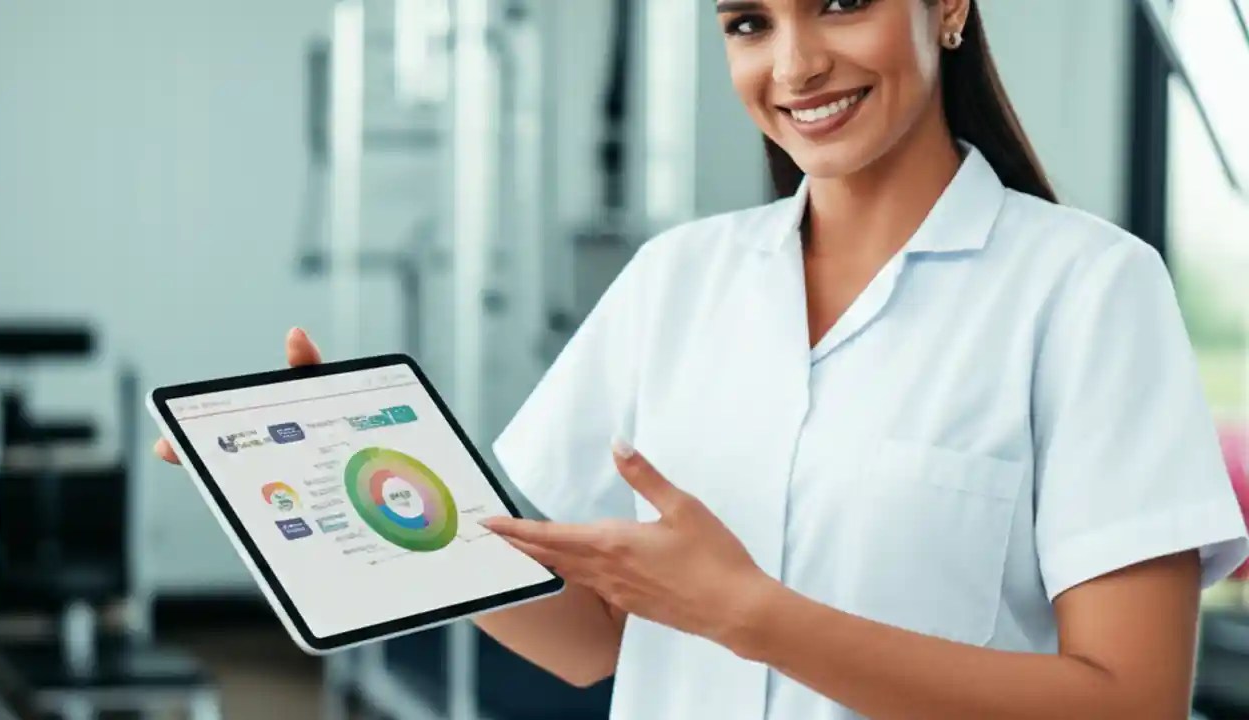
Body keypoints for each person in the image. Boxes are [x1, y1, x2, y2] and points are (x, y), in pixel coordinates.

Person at [157, 0, 1249, 717]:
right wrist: (325, 496)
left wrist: (749, 614)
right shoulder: (675, 279)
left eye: (837, 3)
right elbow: (585, 640)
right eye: (745, 23)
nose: (793, 62)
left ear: (948, 6)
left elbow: (1128, 700)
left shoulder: (1088, 290)